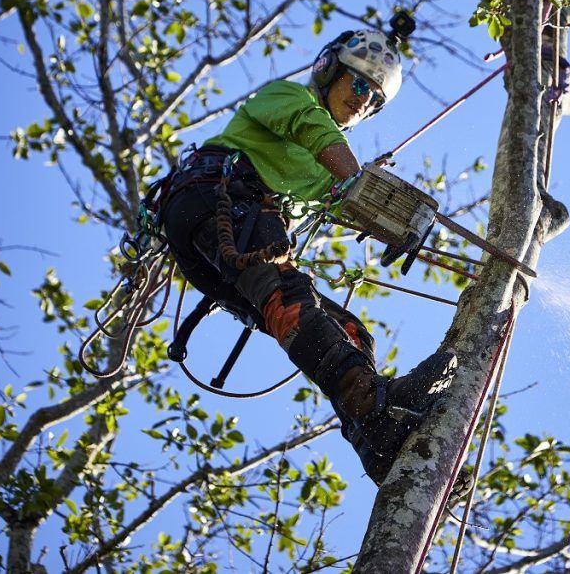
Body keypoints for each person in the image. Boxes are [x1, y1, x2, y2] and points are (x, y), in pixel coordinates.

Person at [161, 25, 457, 486]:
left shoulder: (328, 174)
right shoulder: (289, 98)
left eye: (375, 99)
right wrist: (356, 178)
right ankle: (369, 400)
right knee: (287, 292)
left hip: (224, 252)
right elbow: (315, 134)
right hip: (217, 198)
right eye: (359, 84)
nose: (363, 101)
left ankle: (373, 436)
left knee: (350, 333)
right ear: (329, 71)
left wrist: (398, 222)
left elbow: (346, 200)